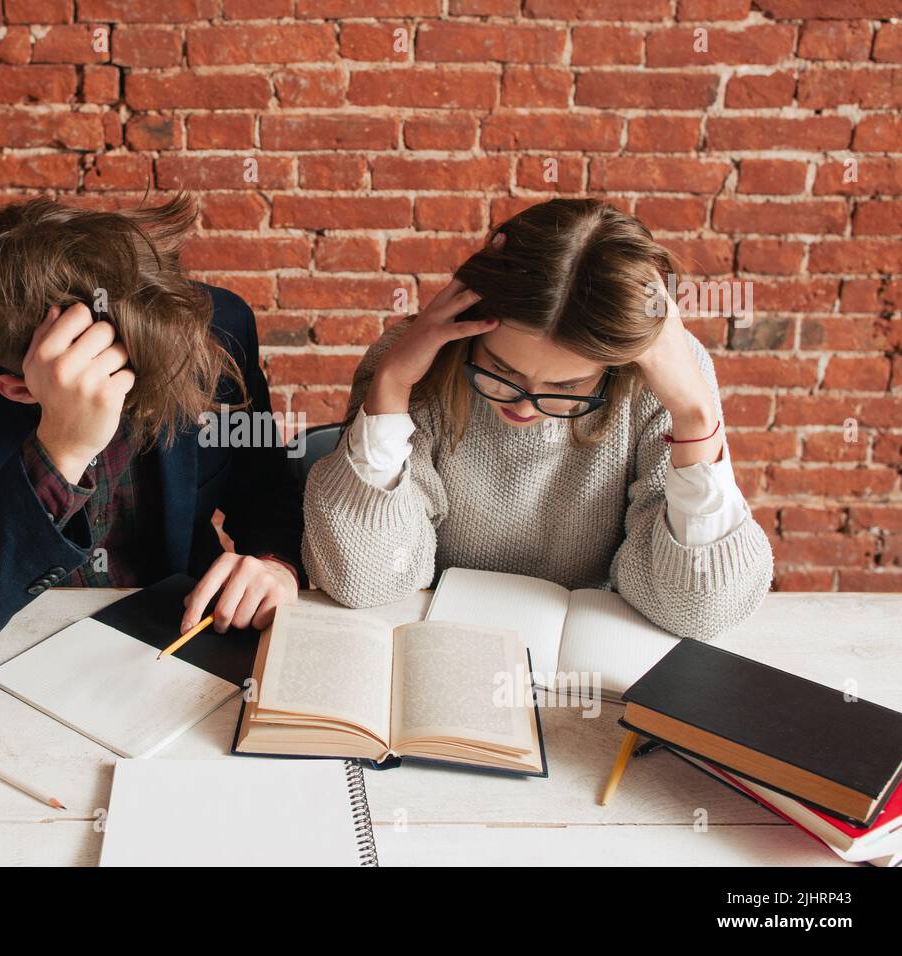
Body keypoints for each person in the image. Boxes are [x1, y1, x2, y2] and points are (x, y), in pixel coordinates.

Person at [0, 195, 303, 678]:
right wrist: (59, 450)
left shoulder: (206, 324)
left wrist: (276, 565)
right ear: (20, 389)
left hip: (181, 640)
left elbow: (266, 493)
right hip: (8, 660)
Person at [303, 198, 772, 639]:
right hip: (435, 639)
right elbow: (363, 579)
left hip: (591, 651)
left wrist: (694, 416)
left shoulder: (664, 381)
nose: (525, 406)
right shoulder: (414, 362)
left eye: (567, 389)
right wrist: (391, 387)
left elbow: (701, 610)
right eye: (502, 371)